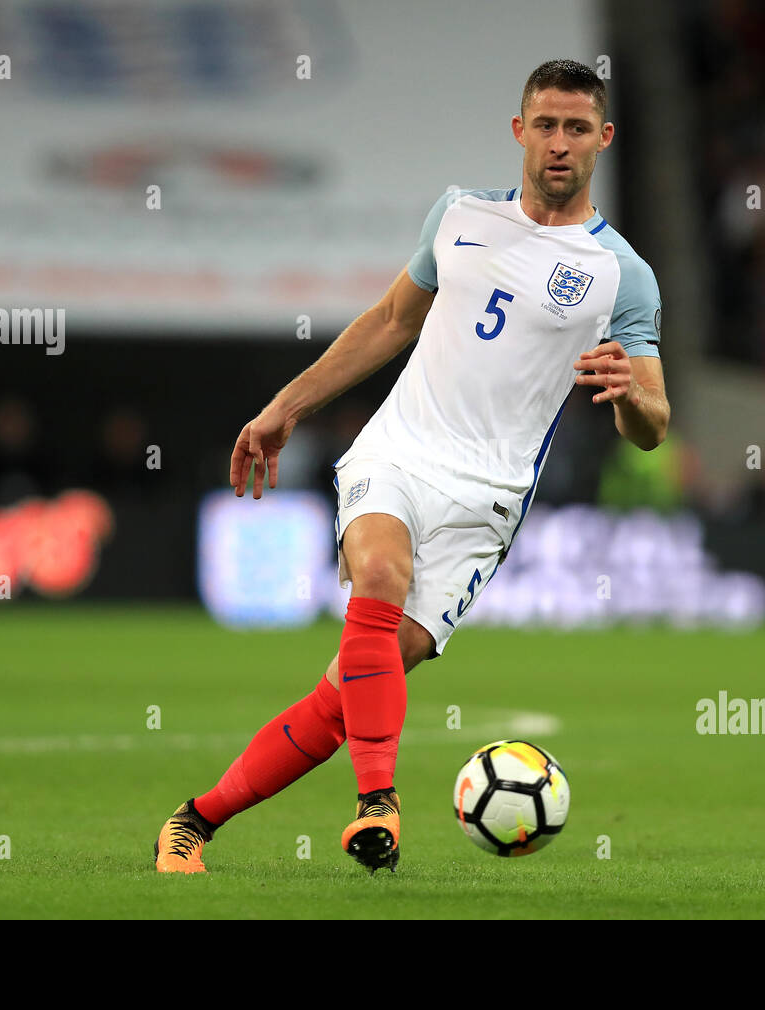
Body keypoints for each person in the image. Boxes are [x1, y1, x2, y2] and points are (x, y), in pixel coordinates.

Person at [155, 59, 670, 875]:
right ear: (519, 132)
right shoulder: (459, 213)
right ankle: (378, 805)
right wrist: (286, 406)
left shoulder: (623, 276)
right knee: (380, 575)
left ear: (604, 139)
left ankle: (194, 819)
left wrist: (628, 399)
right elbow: (392, 320)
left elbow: (654, 423)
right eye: (545, 124)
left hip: (487, 503)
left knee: (345, 695)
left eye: (578, 127)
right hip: (398, 453)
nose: (560, 143)